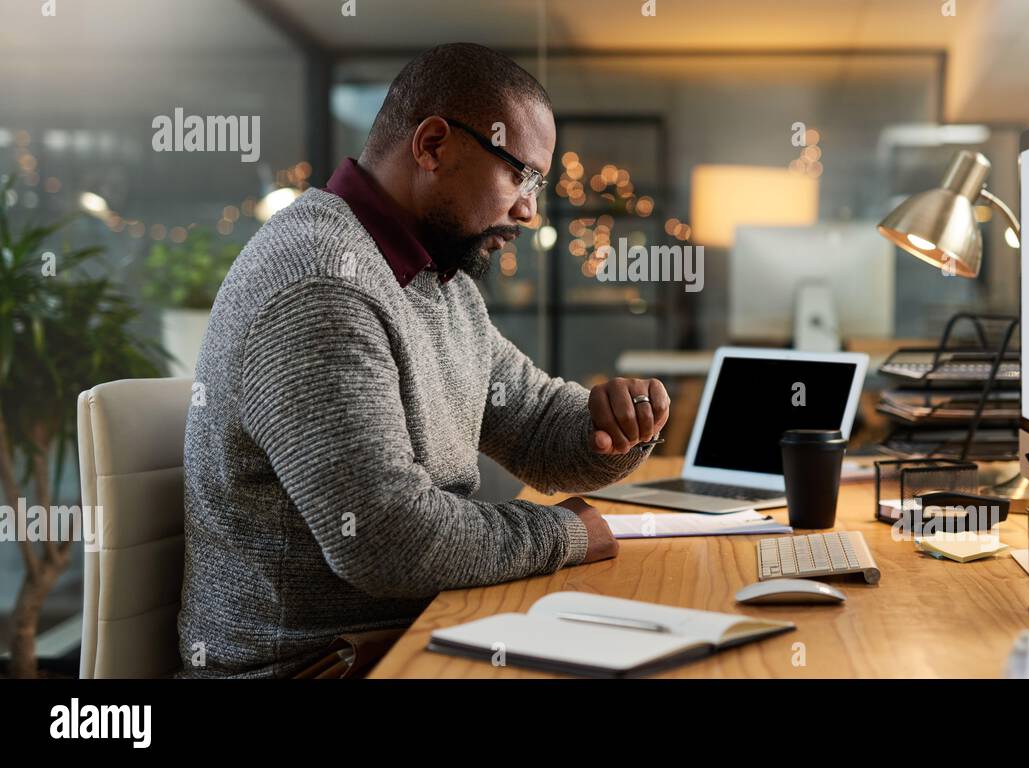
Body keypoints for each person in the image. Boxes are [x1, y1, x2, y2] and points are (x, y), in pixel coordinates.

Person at [176, 43, 669, 678]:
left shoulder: (439, 280)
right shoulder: (321, 284)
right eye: (520, 174)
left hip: (415, 633)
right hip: (315, 665)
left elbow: (538, 426)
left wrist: (617, 425)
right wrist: (565, 535)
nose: (530, 209)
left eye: (538, 184)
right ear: (433, 145)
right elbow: (386, 541)